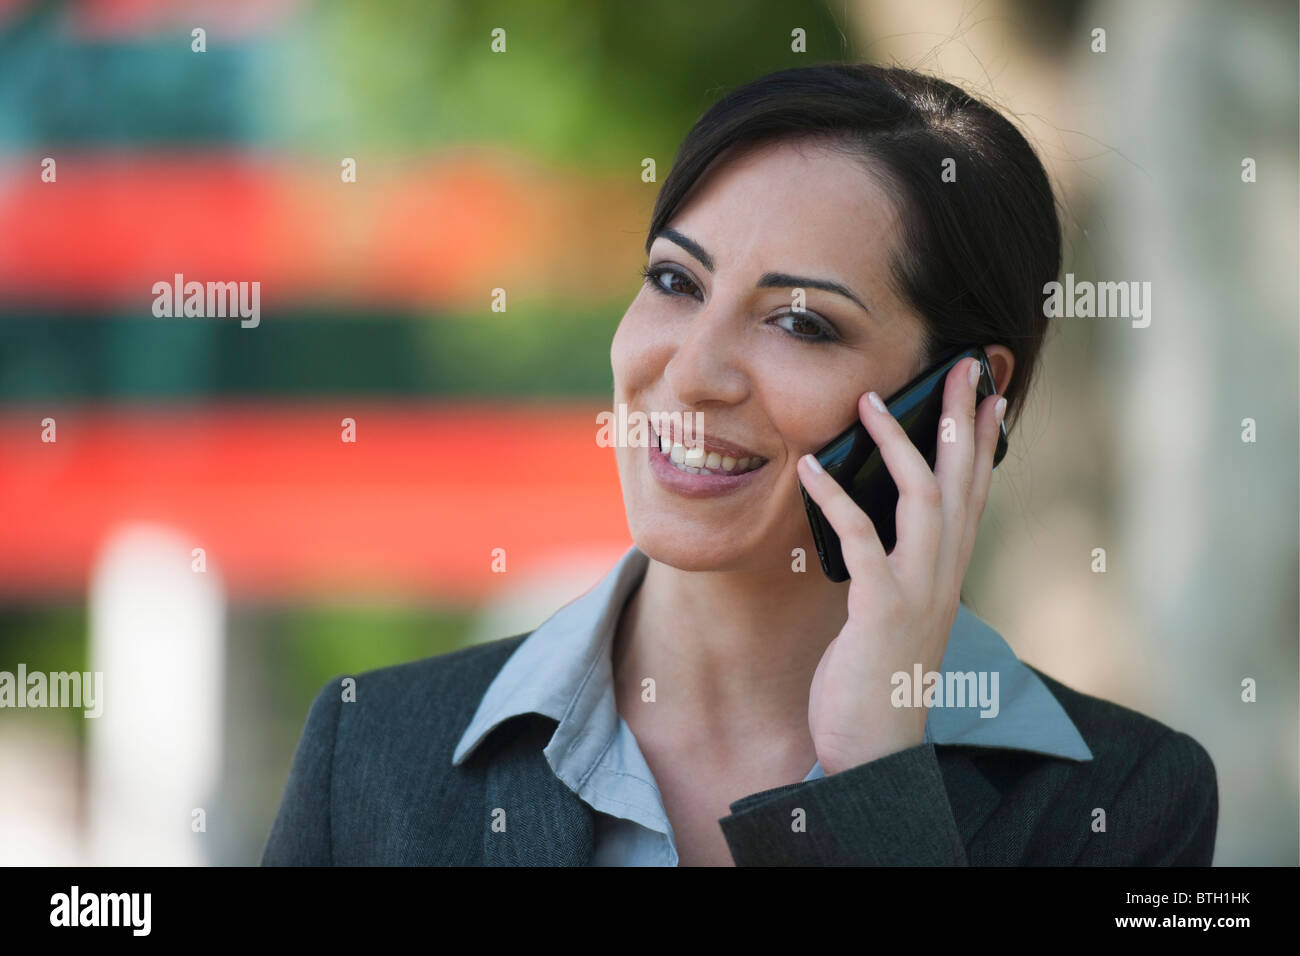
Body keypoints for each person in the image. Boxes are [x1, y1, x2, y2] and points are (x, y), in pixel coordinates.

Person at [261, 62, 1217, 866]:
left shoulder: (1128, 803)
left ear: (965, 394)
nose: (693, 371)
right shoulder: (372, 750)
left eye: (800, 322)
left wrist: (876, 779)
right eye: (676, 281)